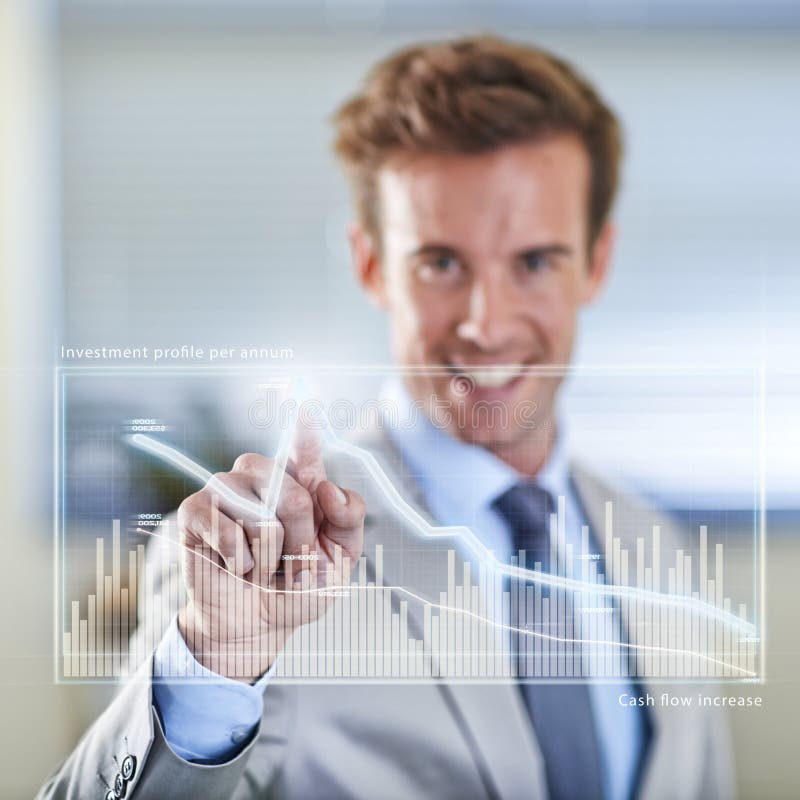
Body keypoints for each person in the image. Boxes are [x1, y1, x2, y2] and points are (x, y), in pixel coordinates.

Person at [39, 35, 733, 799]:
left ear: (596, 262)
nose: (486, 322)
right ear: (370, 265)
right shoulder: (262, 562)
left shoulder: (653, 546)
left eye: (534, 261)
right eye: (440, 262)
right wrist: (217, 660)